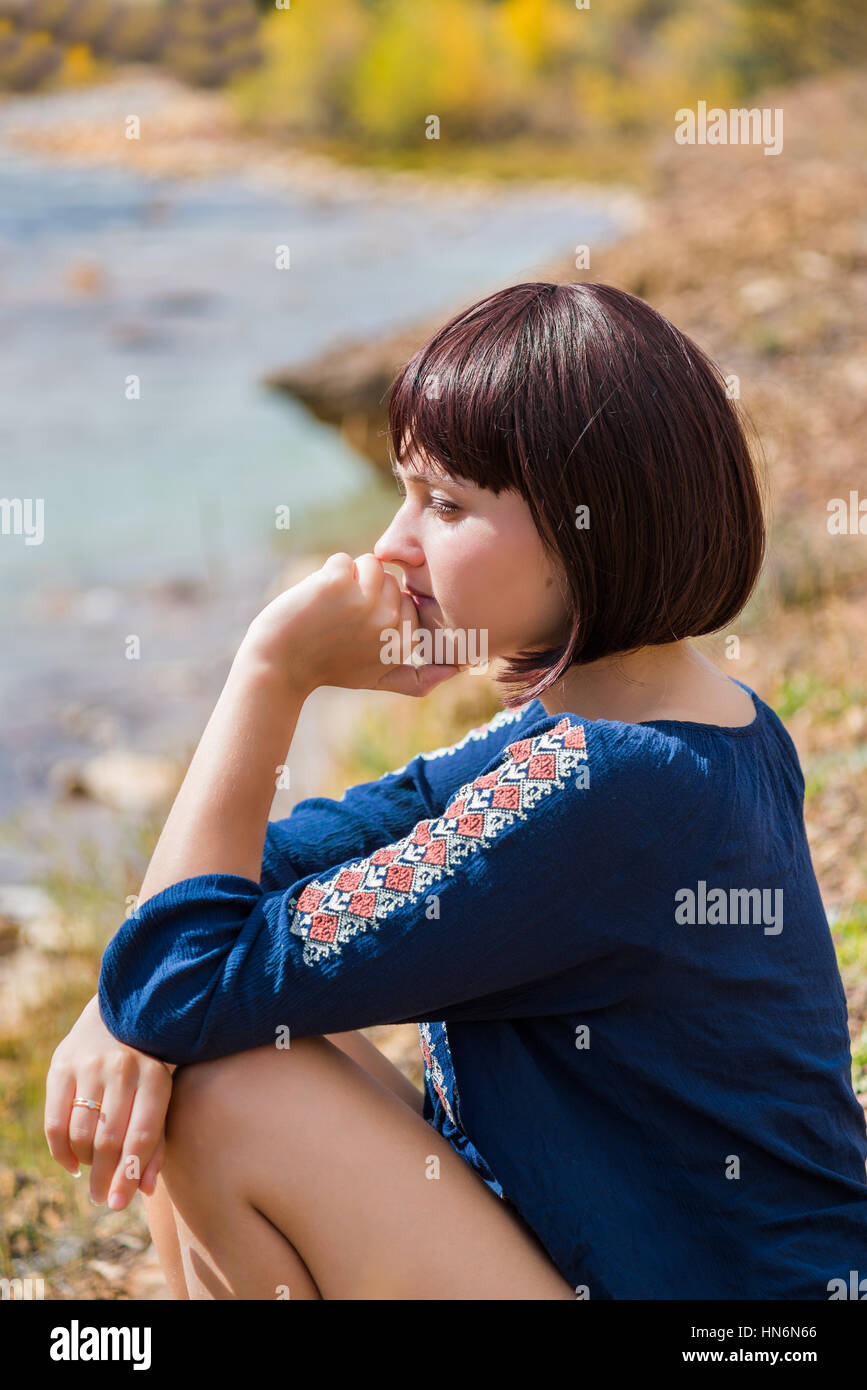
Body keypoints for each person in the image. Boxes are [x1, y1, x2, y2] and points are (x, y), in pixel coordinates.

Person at [45, 282, 867, 1299]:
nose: (392, 545)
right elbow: (256, 873)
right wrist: (118, 1008)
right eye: (402, 493)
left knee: (225, 1088)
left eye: (446, 505)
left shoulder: (610, 790)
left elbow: (178, 972)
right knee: (202, 1028)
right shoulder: (666, 724)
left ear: (589, 530)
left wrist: (271, 672)